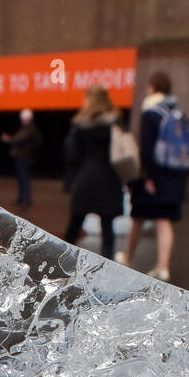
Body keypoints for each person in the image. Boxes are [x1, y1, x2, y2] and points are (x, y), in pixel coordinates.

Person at [116, 71, 189, 282]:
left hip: (153, 176)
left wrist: (149, 178)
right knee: (164, 220)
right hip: (174, 176)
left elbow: (147, 149)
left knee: (138, 216)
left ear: (153, 87)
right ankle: (163, 266)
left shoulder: (151, 112)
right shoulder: (179, 113)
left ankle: (127, 257)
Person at [62, 86, 124, 260]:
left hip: (87, 177)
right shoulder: (115, 121)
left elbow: (72, 155)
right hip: (109, 177)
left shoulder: (80, 123)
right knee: (107, 227)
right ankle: (107, 266)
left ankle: (63, 261)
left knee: (75, 223)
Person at [1, 108, 42, 206]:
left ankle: (26, 200)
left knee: (24, 178)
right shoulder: (26, 128)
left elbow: (19, 139)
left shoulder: (29, 129)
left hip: (24, 157)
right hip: (22, 157)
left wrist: (9, 139)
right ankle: (22, 198)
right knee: (21, 178)